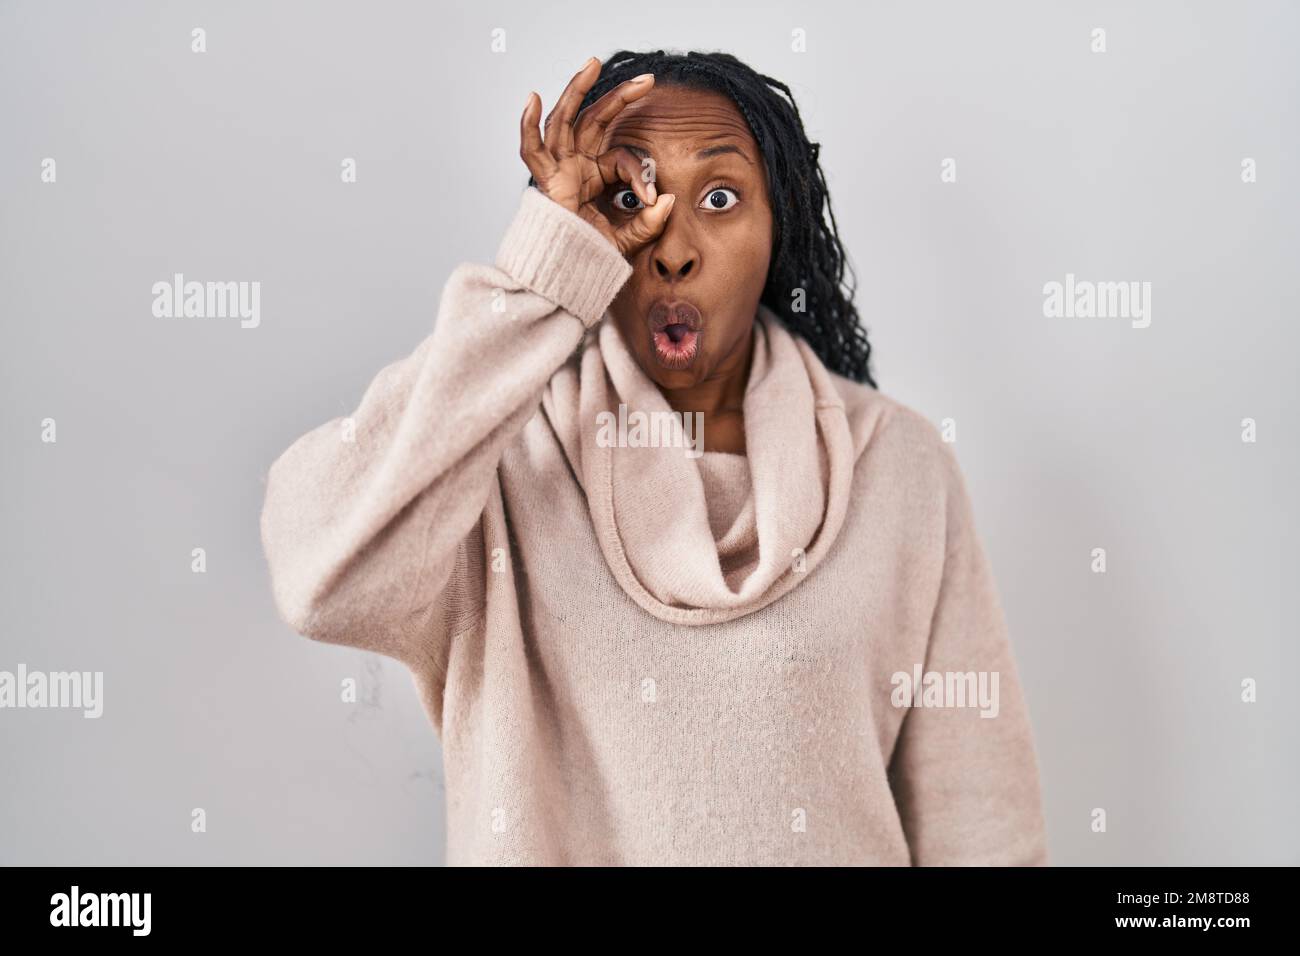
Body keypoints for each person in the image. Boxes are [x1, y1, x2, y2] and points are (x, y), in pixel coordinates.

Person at [259, 49, 1049, 866]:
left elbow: (980, 820)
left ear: (779, 228)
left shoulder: (900, 464)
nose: (673, 248)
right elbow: (323, 575)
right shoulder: (494, 460)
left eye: (719, 197)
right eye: (627, 196)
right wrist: (542, 279)